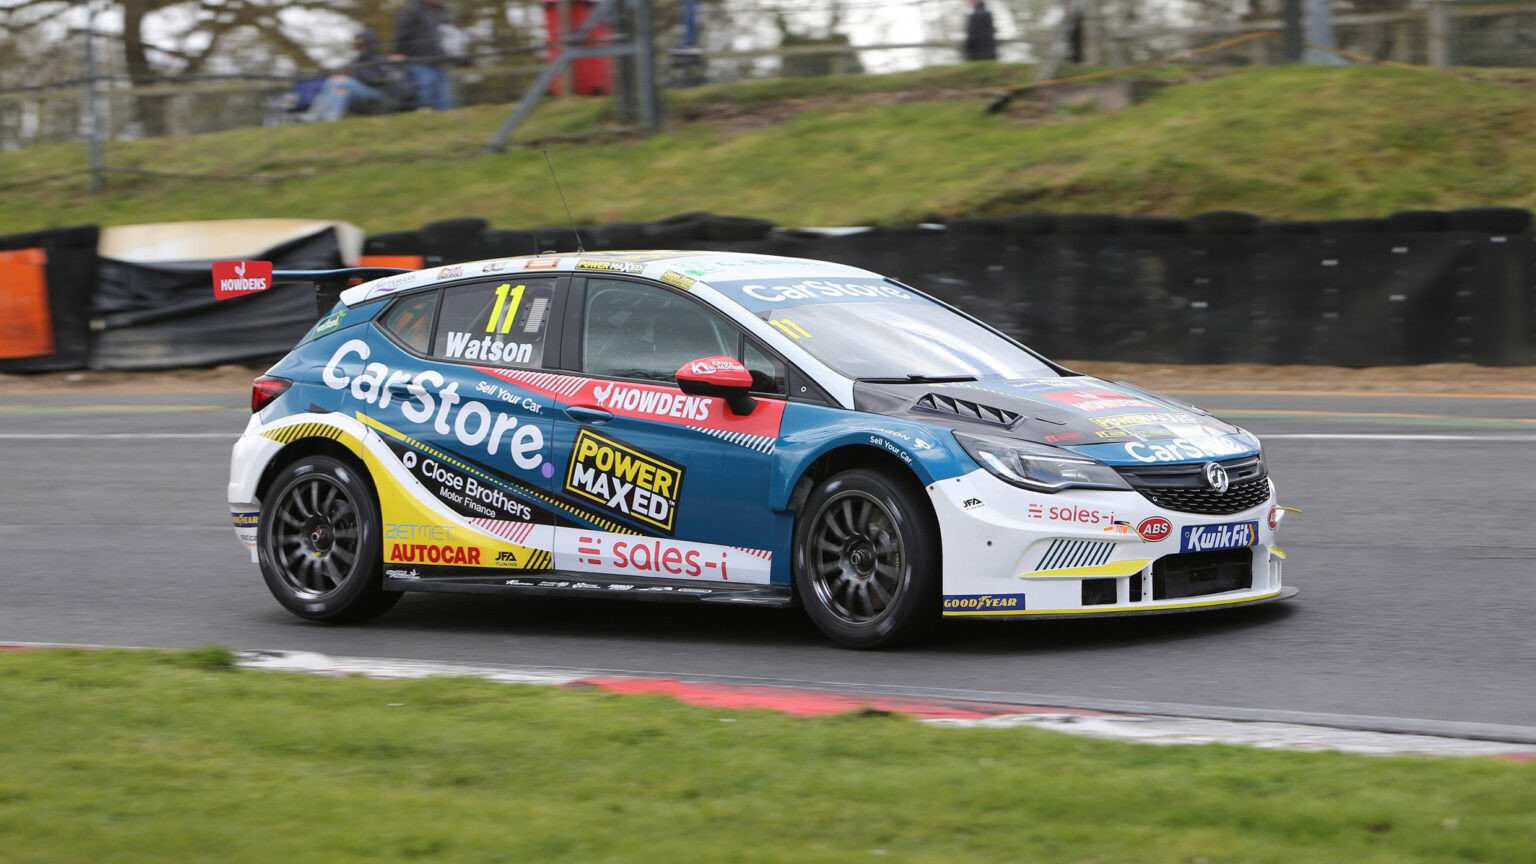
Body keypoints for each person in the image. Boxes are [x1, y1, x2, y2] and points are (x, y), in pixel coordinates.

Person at [306, 30, 404, 122]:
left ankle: (315, 117)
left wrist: (354, 74)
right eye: (357, 45)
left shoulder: (381, 60)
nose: (360, 48)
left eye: (362, 44)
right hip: (353, 91)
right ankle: (323, 118)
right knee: (338, 89)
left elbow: (381, 79)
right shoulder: (356, 61)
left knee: (343, 82)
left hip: (378, 93)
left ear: (370, 44)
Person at [391, 0, 455, 112]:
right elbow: (403, 32)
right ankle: (424, 120)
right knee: (424, 98)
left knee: (444, 100)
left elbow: (450, 34)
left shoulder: (442, 11)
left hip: (440, 62)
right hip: (419, 62)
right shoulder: (412, 9)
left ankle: (444, 123)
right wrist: (399, 52)